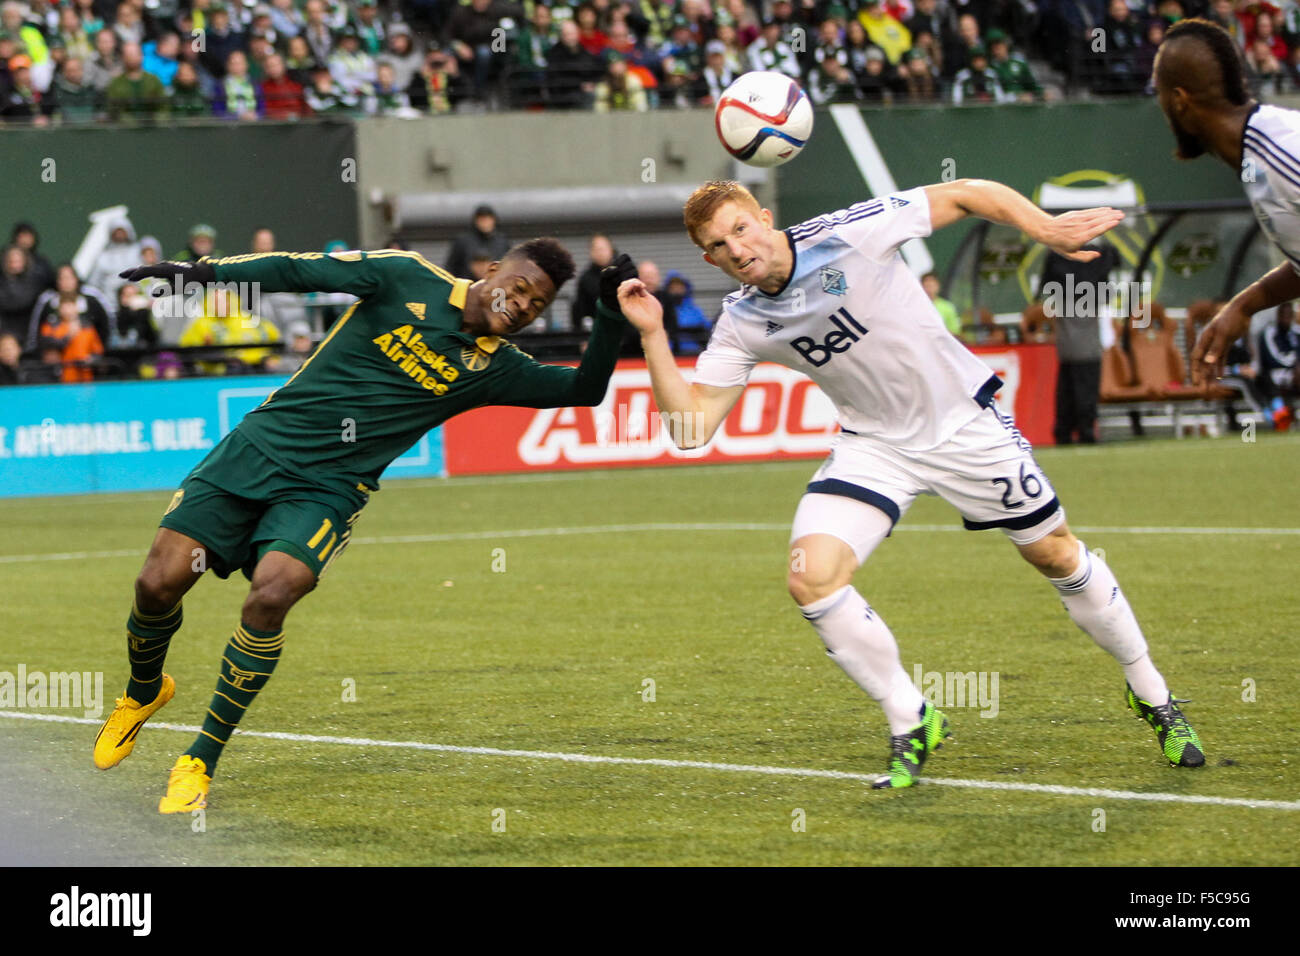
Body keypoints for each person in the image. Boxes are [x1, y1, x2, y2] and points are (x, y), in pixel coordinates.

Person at [617, 178, 1205, 788]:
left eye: (740, 228)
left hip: (964, 426)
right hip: (874, 447)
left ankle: (1152, 691)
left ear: (764, 218)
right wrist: (653, 334)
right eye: (718, 245)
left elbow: (966, 192)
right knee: (810, 578)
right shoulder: (742, 321)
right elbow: (690, 429)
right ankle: (910, 717)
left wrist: (1043, 226)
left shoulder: (850, 233)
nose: (736, 249)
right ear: (710, 259)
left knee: (1056, 555)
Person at [95, 242, 637, 813]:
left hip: (328, 490)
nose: (523, 305)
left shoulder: (496, 369)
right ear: (493, 270)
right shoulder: (404, 276)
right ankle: (144, 691)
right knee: (157, 583)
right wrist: (204, 272)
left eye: (538, 304)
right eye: (520, 287)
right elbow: (297, 270)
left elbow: (584, 389)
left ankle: (198, 761)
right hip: (258, 449)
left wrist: (606, 314)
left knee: (273, 591)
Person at [1156, 19, 1300, 384]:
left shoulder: (1280, 151)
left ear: (1180, 101)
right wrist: (1244, 305)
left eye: (1159, 96)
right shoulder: (1256, 159)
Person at [1040, 240, 1120, 444]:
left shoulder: (1059, 272)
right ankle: (1085, 430)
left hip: (1067, 346)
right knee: (1086, 386)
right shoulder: (1095, 272)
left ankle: (1064, 430)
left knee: (1066, 387)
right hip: (1087, 346)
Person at [444, 204, 510, 280]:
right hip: (468, 287)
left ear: (494, 220)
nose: (485, 223)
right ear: (475, 221)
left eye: (488, 219)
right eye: (482, 220)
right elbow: (451, 267)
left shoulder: (502, 241)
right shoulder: (463, 241)